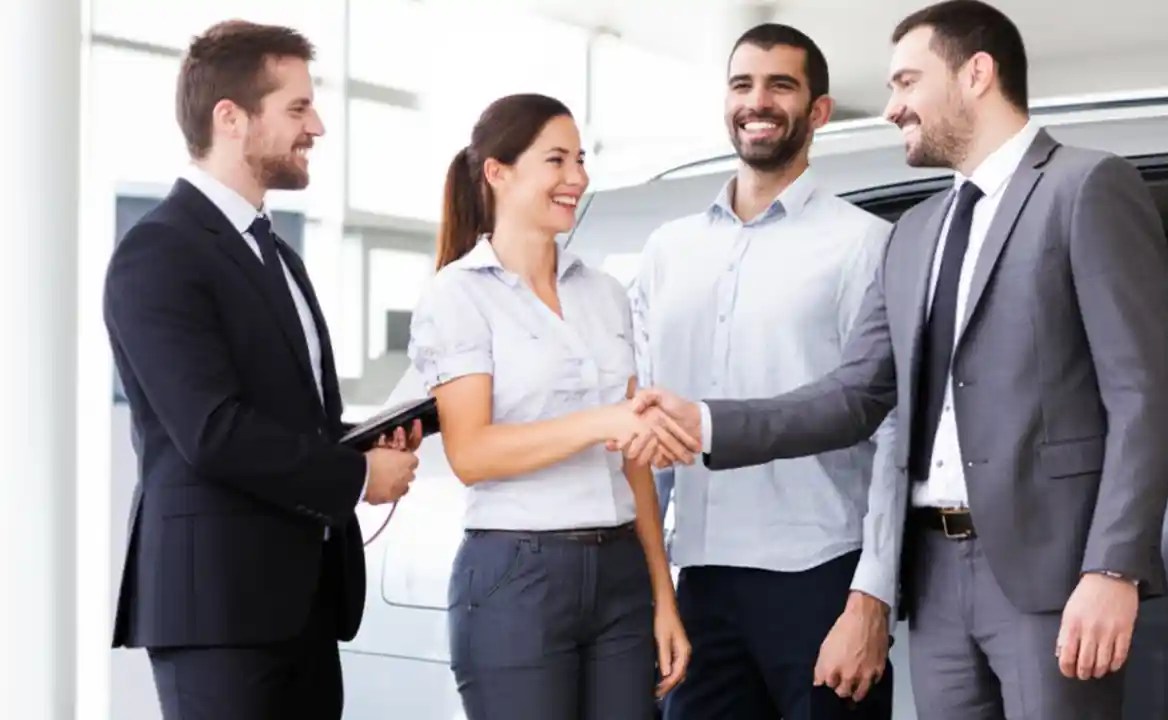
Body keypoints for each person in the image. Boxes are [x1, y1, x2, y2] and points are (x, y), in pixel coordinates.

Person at [630, 2, 1168, 718]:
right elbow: (856, 396)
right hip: (936, 579)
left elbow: (1142, 394)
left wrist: (1113, 567)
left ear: (976, 74)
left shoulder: (1085, 186)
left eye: (906, 82)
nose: (892, 107)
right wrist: (704, 422)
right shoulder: (916, 232)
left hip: (1050, 571)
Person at [103, 21, 422, 720]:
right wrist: (358, 476)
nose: (319, 127)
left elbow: (292, 419)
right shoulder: (158, 252)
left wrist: (365, 441)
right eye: (298, 108)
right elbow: (212, 430)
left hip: (302, 602)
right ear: (232, 119)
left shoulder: (279, 255)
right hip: (216, 609)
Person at [629, 23, 897, 719]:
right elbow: (644, 435)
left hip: (821, 580)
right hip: (700, 585)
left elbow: (895, 431)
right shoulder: (667, 250)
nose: (759, 101)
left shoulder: (864, 244)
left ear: (818, 111)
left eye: (782, 85)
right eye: (743, 84)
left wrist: (871, 599)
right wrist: (647, 589)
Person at [406, 93, 694, 720]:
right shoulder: (458, 296)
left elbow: (634, 462)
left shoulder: (606, 294)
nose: (578, 179)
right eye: (557, 160)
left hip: (620, 572)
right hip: (517, 578)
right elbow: (472, 453)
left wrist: (662, 596)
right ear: (498, 173)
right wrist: (603, 422)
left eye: (581, 159)